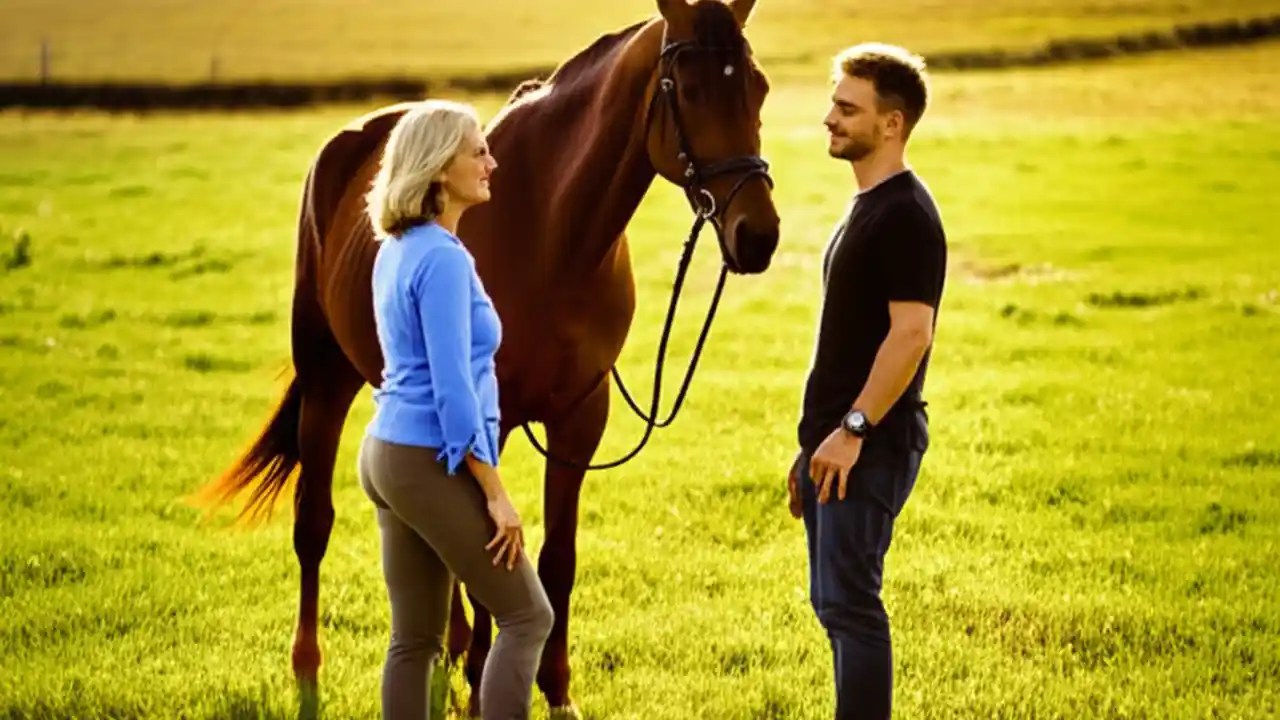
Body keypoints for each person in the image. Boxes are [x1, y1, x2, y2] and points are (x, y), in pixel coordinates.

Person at [358, 99, 553, 720]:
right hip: (424, 455)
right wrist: (494, 490)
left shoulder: (399, 247)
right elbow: (451, 392)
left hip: (386, 450)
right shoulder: (441, 258)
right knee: (527, 615)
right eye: (478, 150)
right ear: (442, 167)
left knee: (414, 639)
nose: (491, 162)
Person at [786, 43, 947, 720]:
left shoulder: (905, 214)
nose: (831, 118)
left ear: (892, 123)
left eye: (848, 109)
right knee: (835, 604)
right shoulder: (867, 207)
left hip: (870, 443)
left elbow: (911, 335)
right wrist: (812, 444)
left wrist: (851, 431)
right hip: (838, 443)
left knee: (851, 606)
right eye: (833, 103)